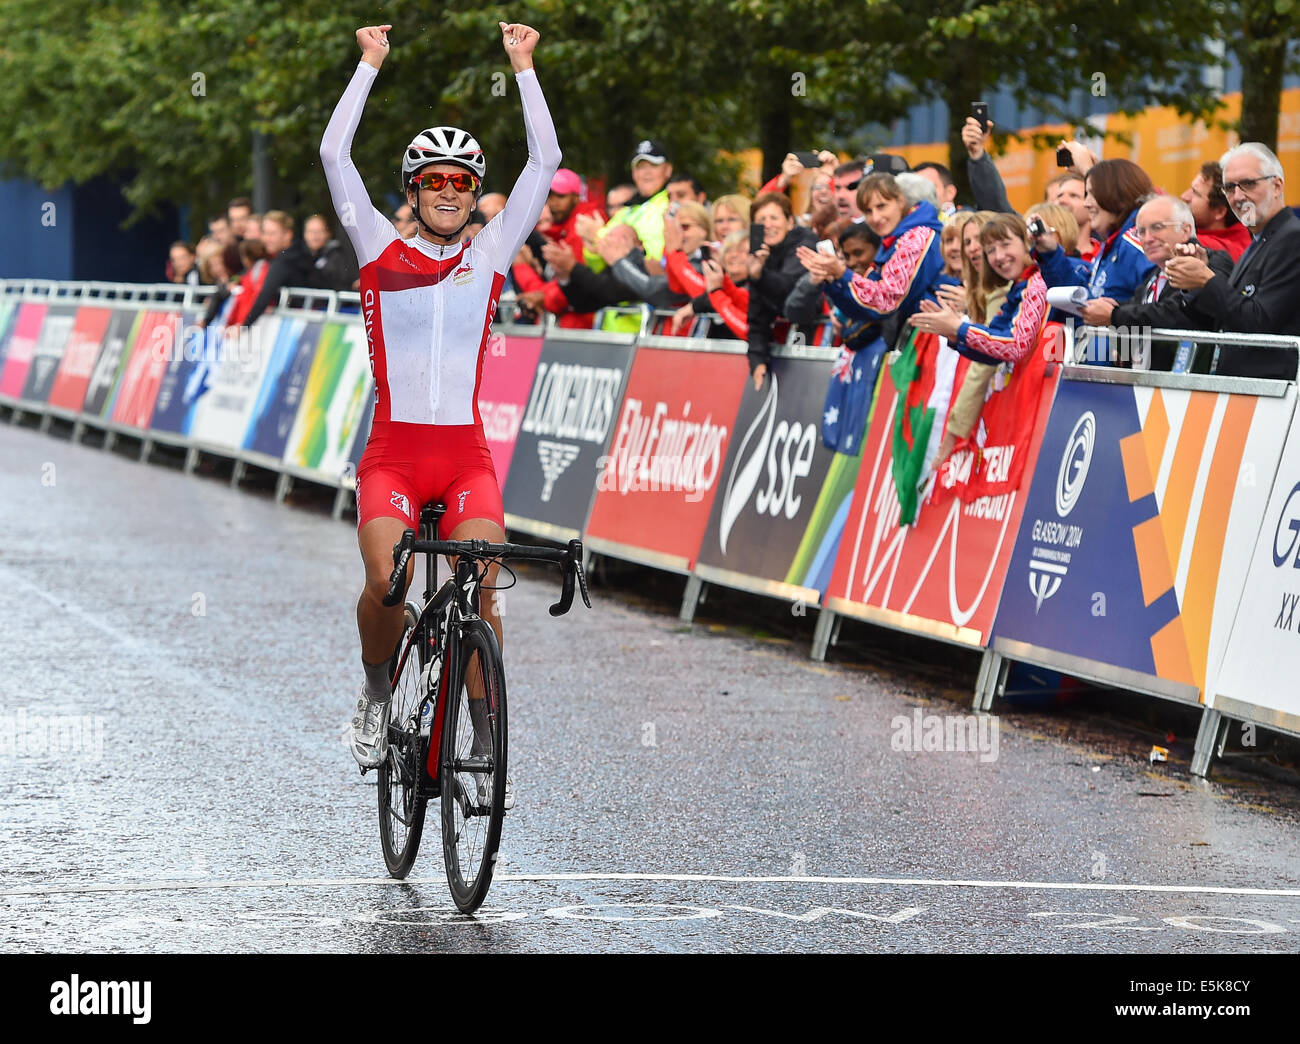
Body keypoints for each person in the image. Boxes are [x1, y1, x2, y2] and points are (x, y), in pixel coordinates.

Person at [322, 20, 559, 784]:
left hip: (464, 456)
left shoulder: (489, 254)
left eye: (464, 181)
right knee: (386, 582)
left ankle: (485, 728)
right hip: (394, 455)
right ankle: (374, 691)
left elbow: (546, 159)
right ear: (413, 191)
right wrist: (369, 65)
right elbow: (334, 154)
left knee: (484, 585)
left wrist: (523, 67)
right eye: (436, 181)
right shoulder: (376, 250)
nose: (451, 192)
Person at [909, 212, 1050, 462]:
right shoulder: (1014, 285)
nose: (975, 249)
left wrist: (959, 329)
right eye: (969, 242)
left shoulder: (1033, 282)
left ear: (1025, 241)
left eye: (1004, 245)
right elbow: (991, 349)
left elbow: (1012, 347)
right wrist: (954, 334)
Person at [1168, 142, 1300, 378]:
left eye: (1248, 184)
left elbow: (1259, 323)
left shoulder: (1292, 238)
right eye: (1229, 188)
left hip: (1273, 394)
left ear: (1277, 185)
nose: (1238, 196)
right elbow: (1228, 315)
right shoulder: (1260, 240)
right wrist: (1197, 281)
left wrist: (1207, 280)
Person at [796, 171, 945, 355]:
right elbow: (866, 304)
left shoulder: (917, 236)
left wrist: (842, 274)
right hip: (915, 343)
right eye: (868, 211)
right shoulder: (894, 237)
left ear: (900, 201)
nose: (875, 217)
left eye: (882, 206)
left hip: (935, 344)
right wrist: (832, 279)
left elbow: (887, 300)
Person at [1079, 195, 1233, 370]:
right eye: (1141, 232)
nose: (1147, 238)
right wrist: (1114, 308)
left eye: (1157, 228)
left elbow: (1178, 313)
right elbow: (1141, 307)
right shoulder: (1154, 273)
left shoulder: (1213, 261)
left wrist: (1115, 315)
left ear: (1185, 230)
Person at [1036, 158, 1156, 363]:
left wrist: (1117, 317)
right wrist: (1051, 254)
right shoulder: (1113, 245)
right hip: (1102, 369)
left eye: (1091, 194)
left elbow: (1158, 304)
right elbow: (1086, 301)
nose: (1086, 203)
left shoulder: (1137, 242)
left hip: (1124, 377)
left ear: (1115, 194)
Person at [743, 192, 819, 386]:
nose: (768, 224)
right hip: (786, 339)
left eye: (773, 218)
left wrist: (760, 275)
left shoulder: (806, 242)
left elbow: (789, 287)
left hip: (815, 334)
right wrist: (757, 360)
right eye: (761, 220)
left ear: (790, 222)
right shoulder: (760, 256)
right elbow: (756, 315)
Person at [233, 210, 315, 329]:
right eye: (264, 233)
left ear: (287, 235)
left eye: (272, 234)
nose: (266, 239)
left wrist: (244, 325)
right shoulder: (299, 252)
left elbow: (265, 294)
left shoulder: (284, 260)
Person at [1181, 161, 1251, 262]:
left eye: (1195, 193)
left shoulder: (1227, 250)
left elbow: (1171, 238)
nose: (1184, 196)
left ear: (1219, 212)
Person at [303, 213, 361, 291]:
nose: (315, 235)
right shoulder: (298, 257)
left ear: (328, 234)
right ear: (304, 234)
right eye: (311, 231)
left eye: (319, 231)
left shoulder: (338, 257)